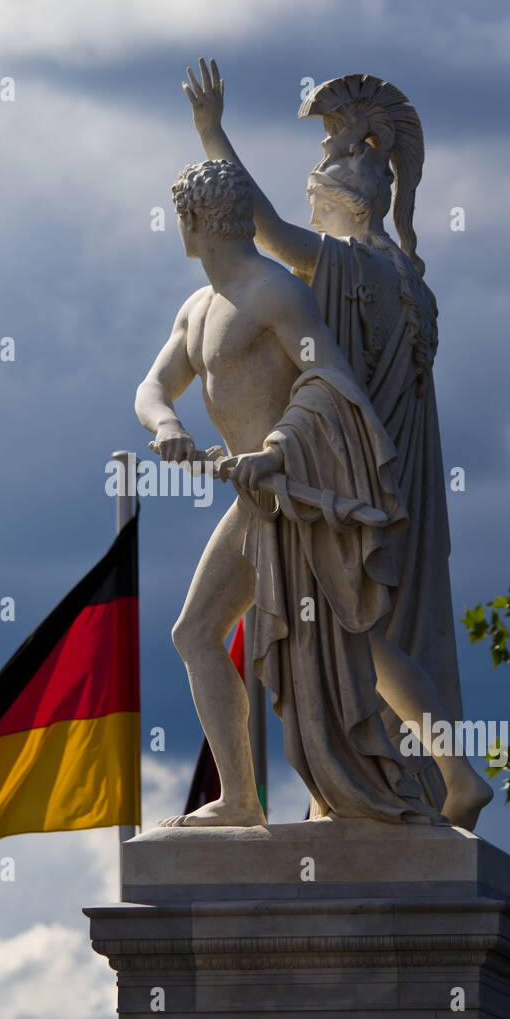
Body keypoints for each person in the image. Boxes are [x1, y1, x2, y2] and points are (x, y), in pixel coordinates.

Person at [180, 60, 492, 830]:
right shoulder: (407, 277)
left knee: (349, 629)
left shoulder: (346, 264)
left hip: (333, 475)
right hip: (387, 478)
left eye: (330, 160)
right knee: (362, 630)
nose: (317, 169)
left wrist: (214, 134)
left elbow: (260, 228)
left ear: (354, 194)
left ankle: (432, 774)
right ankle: (442, 772)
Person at [135, 157, 448, 828]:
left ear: (191, 224)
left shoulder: (275, 293)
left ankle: (453, 773)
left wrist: (278, 450)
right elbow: (152, 387)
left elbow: (331, 377)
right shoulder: (199, 309)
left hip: (302, 492)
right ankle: (242, 800)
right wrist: (167, 426)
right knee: (202, 633)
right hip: (256, 505)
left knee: (343, 636)